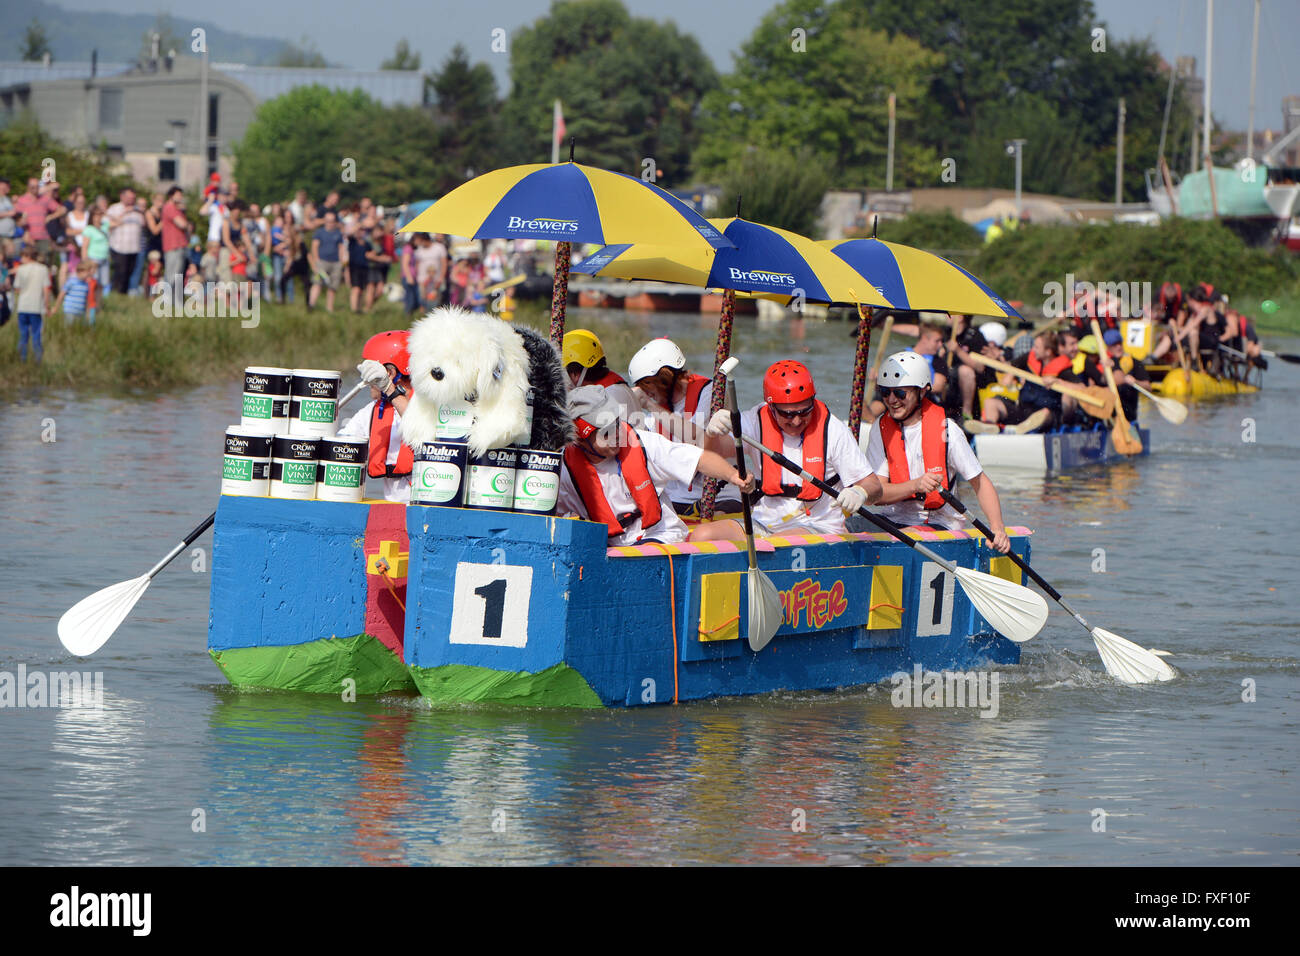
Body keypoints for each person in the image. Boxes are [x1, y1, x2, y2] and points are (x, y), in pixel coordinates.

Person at [558, 386, 755, 547]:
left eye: (617, 424)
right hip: (610, 545)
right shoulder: (564, 471)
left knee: (642, 553)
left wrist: (733, 475)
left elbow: (700, 459)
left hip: (661, 536)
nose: (617, 434)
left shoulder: (643, 443)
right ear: (580, 439)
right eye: (606, 433)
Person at [705, 360, 884, 536]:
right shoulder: (755, 420)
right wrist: (712, 433)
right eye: (788, 414)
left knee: (775, 544)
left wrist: (860, 492)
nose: (797, 421)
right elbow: (713, 454)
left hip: (818, 527)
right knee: (704, 535)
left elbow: (874, 487)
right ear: (771, 407)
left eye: (804, 411)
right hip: (764, 523)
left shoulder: (834, 430)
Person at [861, 351, 1011, 551]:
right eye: (885, 392)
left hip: (939, 524)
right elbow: (877, 494)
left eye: (900, 393)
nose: (892, 400)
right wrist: (915, 485)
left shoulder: (948, 431)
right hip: (892, 522)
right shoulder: (880, 429)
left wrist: (997, 528)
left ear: (922, 391)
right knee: (849, 528)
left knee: (904, 536)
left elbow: (980, 482)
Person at [335, 331, 413, 503]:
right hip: (392, 507)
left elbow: (418, 426)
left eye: (370, 369)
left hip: (425, 507)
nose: (365, 378)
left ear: (389, 373)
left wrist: (388, 388)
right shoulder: (372, 411)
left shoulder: (430, 406)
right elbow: (340, 444)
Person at [969, 330, 1065, 434]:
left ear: (1048, 352)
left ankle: (1023, 428)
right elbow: (1008, 367)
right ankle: (990, 426)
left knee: (1045, 413)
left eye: (1037, 347)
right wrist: (997, 360)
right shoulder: (1029, 357)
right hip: (1023, 409)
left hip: (1046, 413)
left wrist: (1058, 381)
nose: (1033, 349)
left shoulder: (1064, 368)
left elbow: (1077, 387)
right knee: (990, 402)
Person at [866, 321, 950, 423]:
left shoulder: (938, 361)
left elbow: (938, 386)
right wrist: (877, 379)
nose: (941, 345)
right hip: (894, 394)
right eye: (937, 341)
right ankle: (868, 421)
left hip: (920, 397)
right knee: (880, 400)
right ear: (924, 338)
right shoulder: (901, 355)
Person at [1098, 328, 1149, 423]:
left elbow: (1148, 387)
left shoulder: (1135, 363)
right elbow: (1101, 381)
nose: (1118, 347)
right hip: (1108, 412)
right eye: (1114, 345)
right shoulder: (1103, 363)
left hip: (1129, 414)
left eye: (1119, 343)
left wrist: (1136, 382)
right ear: (1107, 347)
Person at [13, 245, 50, 362]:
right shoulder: (43, 269)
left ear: (27, 256)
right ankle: (38, 359)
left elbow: (17, 288)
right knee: (36, 334)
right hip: (36, 307)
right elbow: (46, 289)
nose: (21, 259)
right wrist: (47, 305)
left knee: (23, 334)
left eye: (22, 257)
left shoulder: (20, 269)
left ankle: (22, 358)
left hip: (23, 306)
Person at [106, 188, 144, 294]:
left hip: (134, 247)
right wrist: (125, 213)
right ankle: (115, 292)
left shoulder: (137, 210)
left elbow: (144, 224)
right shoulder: (114, 208)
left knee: (129, 271)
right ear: (122, 197)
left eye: (133, 198)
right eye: (129, 197)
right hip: (119, 247)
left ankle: (124, 293)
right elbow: (107, 224)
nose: (131, 200)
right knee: (120, 271)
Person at [308, 210, 346, 312]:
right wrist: (316, 261)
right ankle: (311, 305)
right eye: (328, 221)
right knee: (317, 283)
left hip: (335, 262)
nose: (330, 223)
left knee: (333, 286)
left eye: (332, 221)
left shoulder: (338, 233)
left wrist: (341, 262)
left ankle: (329, 308)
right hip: (322, 261)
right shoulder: (319, 232)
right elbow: (314, 246)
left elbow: (341, 247)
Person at [49, 258, 93, 326]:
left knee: (78, 328)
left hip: (80, 312)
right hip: (70, 310)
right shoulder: (71, 282)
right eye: (87, 272)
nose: (88, 274)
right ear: (81, 271)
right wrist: (56, 308)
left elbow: (87, 300)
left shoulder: (86, 285)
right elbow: (61, 295)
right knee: (68, 327)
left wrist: (87, 312)